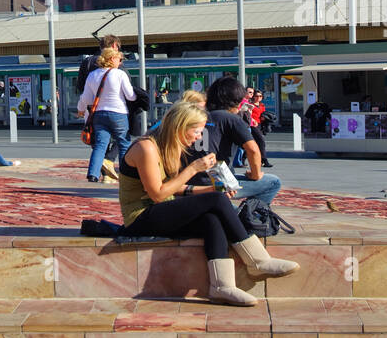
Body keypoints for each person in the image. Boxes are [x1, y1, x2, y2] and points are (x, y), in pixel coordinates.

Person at [118, 102, 298, 305]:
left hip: (160, 210)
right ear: (180, 126)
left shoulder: (173, 146)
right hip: (140, 217)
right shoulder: (146, 147)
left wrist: (211, 190)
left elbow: (175, 188)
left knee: (211, 218)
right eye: (196, 132)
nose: (198, 138)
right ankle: (257, 260)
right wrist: (193, 169)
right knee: (216, 202)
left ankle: (222, 286)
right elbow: (158, 194)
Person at [203, 77, 282, 210]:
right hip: (219, 182)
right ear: (237, 100)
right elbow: (253, 150)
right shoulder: (231, 119)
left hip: (193, 180)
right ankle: (251, 217)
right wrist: (255, 174)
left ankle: (233, 212)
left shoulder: (199, 116)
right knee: (273, 182)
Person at [77, 45, 135, 183]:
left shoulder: (92, 75)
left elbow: (86, 98)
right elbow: (130, 96)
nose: (120, 62)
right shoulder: (120, 74)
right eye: (119, 59)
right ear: (111, 59)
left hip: (99, 114)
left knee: (100, 145)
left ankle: (93, 175)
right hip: (118, 113)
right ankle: (125, 175)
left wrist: (80, 109)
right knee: (123, 143)